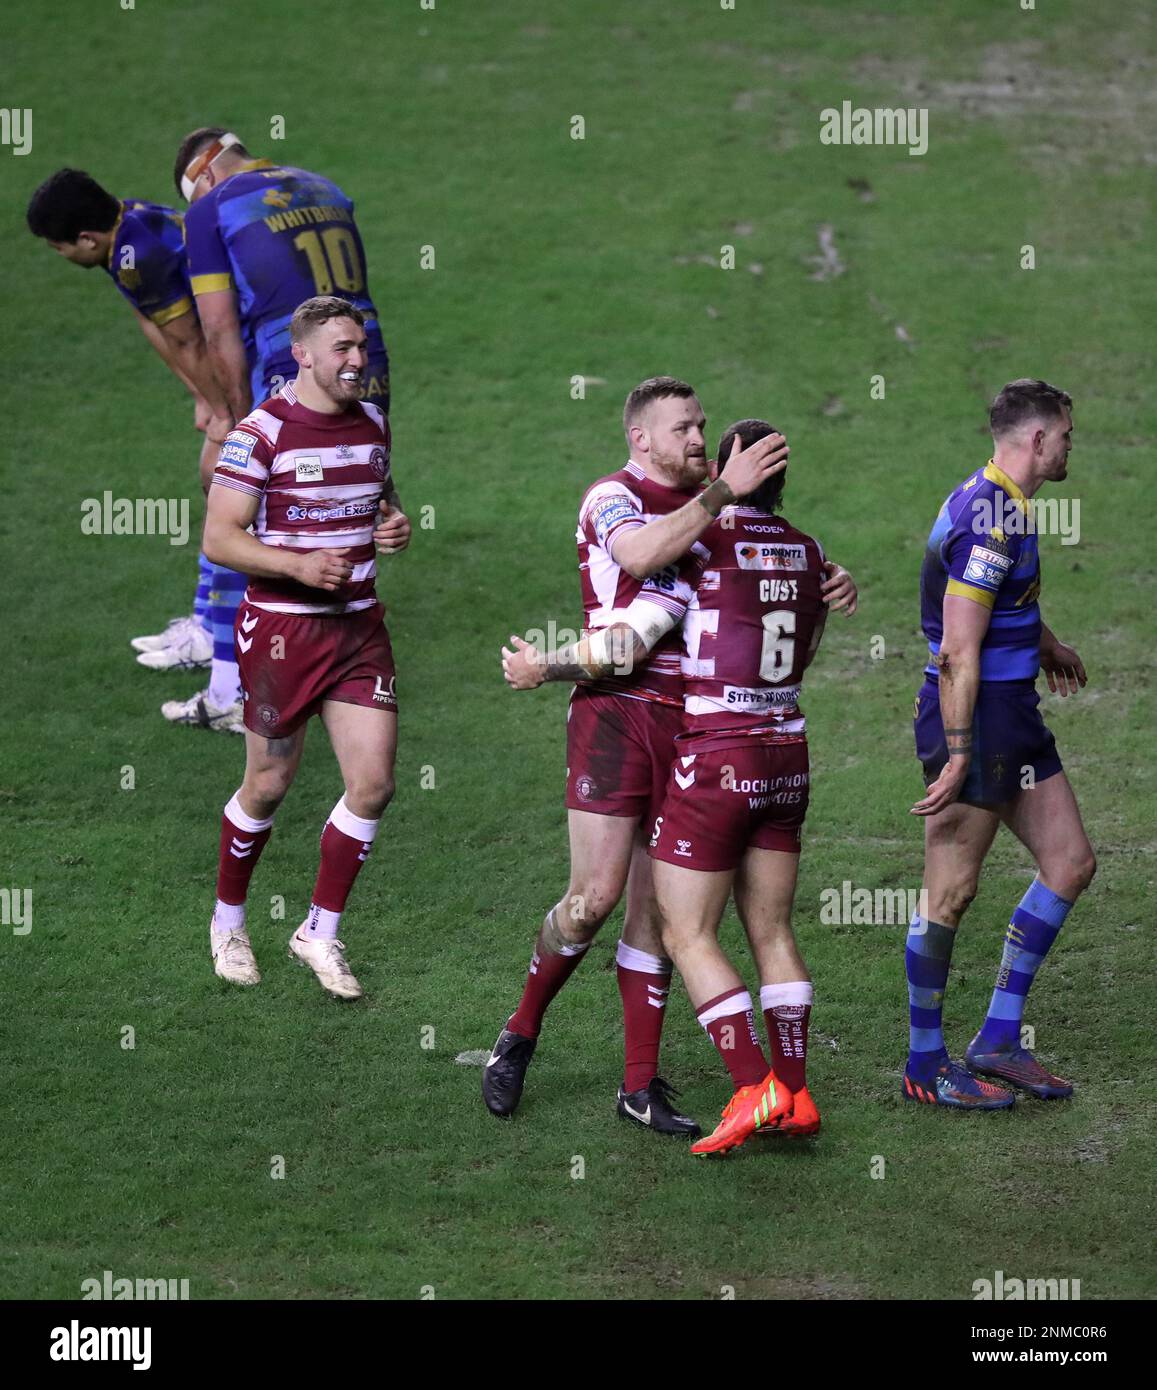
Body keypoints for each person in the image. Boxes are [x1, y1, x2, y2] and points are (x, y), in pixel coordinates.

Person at [491, 378, 857, 1135]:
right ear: (641, 439)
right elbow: (638, 554)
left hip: (696, 731)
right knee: (592, 900)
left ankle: (638, 1085)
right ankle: (520, 1032)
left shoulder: (715, 517)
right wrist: (726, 493)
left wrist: (815, 584)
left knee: (658, 915)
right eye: (682, 430)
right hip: (617, 713)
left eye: (702, 427)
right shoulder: (614, 498)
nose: (696, 439)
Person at [633, 418, 835, 1155]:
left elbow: (636, 578)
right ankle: (798, 1092)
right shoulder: (811, 552)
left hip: (718, 757)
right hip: (788, 755)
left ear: (731, 472)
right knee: (772, 930)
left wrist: (550, 667)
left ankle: (754, 1088)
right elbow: (805, 640)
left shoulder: (700, 543)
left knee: (683, 929)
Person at [200, 296, 410, 999]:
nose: (357, 360)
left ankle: (317, 932)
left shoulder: (374, 421)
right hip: (284, 634)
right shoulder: (260, 434)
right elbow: (219, 537)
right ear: (304, 355)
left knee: (373, 784)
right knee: (268, 784)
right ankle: (228, 920)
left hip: (356, 630)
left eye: (362, 347)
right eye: (343, 349)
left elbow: (380, 494)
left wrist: (392, 522)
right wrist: (296, 565)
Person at [905, 378, 1095, 1108]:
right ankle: (924, 1064)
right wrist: (956, 751)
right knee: (949, 890)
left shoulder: (1006, 505)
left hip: (1009, 711)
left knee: (1069, 862)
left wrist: (1044, 644)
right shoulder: (990, 520)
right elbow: (957, 649)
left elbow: (1003, 601)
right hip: (975, 716)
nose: (1070, 445)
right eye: (1066, 435)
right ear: (1038, 440)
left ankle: (997, 1040)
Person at [176, 128, 391, 736]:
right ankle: (343, 677)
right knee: (354, 504)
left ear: (204, 174)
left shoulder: (208, 208)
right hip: (365, 356)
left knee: (242, 510)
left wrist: (236, 422)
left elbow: (218, 329)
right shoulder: (325, 186)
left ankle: (235, 688)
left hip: (296, 366)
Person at [26, 167, 242, 729]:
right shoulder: (132, 224)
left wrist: (222, 411)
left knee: (226, 495)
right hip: (229, 368)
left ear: (87, 240)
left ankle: (233, 664)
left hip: (245, 368)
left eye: (58, 248)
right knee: (219, 494)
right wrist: (200, 396)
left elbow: (190, 336)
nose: (59, 256)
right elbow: (155, 323)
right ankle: (207, 628)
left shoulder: (135, 255)